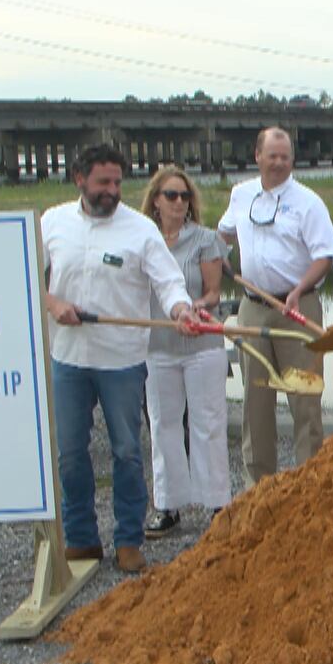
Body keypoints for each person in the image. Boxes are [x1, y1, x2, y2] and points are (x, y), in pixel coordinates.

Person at [41, 144, 207, 573]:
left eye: (117, 182)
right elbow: (22, 272)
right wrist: (52, 302)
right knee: (72, 453)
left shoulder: (140, 230)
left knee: (128, 451)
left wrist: (181, 310)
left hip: (122, 360)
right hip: (68, 357)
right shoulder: (52, 223)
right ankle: (81, 538)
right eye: (103, 183)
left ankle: (128, 539)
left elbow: (168, 282)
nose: (112, 191)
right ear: (79, 178)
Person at [217, 127, 333, 484]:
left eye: (285, 157)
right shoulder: (241, 195)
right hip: (252, 306)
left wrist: (300, 289)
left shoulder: (308, 202)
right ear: (258, 156)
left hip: (297, 309)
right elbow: (221, 235)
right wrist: (216, 264)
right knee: (256, 400)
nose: (279, 163)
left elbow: (325, 255)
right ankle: (260, 485)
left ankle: (309, 482)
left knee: (304, 398)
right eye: (272, 155)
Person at [138, 166, 230, 541]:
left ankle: (217, 502)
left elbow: (213, 292)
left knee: (208, 422)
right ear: (155, 201)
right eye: (171, 196)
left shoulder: (205, 239)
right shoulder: (143, 239)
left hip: (201, 345)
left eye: (184, 196)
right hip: (158, 347)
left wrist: (192, 308)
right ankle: (168, 505)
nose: (179, 202)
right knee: (163, 425)